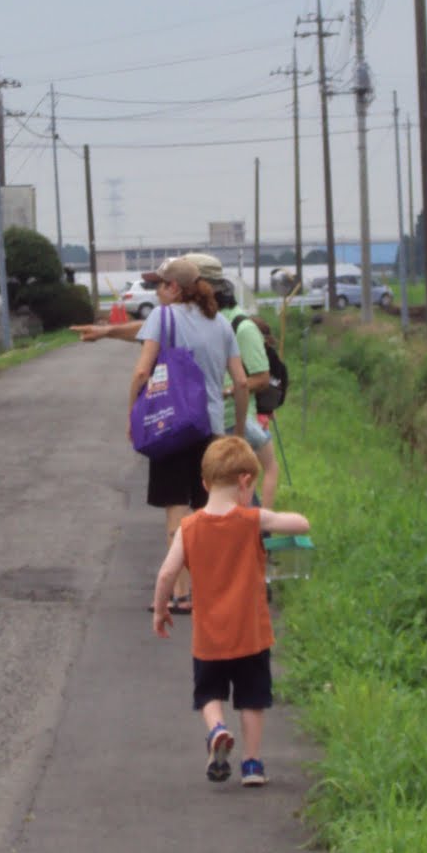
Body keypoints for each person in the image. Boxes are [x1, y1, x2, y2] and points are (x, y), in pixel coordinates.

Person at [152, 435, 310, 788]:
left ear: (205, 484)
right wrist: (285, 518)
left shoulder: (189, 528)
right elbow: (299, 524)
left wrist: (160, 610)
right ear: (246, 481)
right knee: (252, 700)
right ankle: (252, 764)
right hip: (251, 635)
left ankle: (217, 729)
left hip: (209, 637)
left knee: (209, 694)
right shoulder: (252, 519)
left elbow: (166, 574)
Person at [71, 252, 279, 506]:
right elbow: (151, 330)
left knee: (211, 502)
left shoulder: (232, 323)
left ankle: (255, 526)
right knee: (215, 505)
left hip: (199, 421)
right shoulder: (213, 320)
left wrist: (134, 416)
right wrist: (107, 331)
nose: (158, 290)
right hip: (212, 425)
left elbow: (257, 378)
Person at [129, 257, 249, 614]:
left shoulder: (161, 317)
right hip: (210, 430)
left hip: (172, 426)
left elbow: (141, 373)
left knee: (177, 512)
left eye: (159, 285)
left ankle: (180, 595)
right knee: (208, 512)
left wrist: (133, 415)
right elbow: (241, 382)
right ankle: (210, 593)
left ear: (174, 288)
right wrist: (237, 432)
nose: (156, 291)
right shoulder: (221, 323)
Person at [181, 253, 280, 507]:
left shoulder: (240, 326)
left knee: (238, 489)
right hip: (206, 420)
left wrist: (227, 391)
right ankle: (252, 526)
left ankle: (258, 527)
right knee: (224, 492)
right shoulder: (198, 321)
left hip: (232, 420)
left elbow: (261, 378)